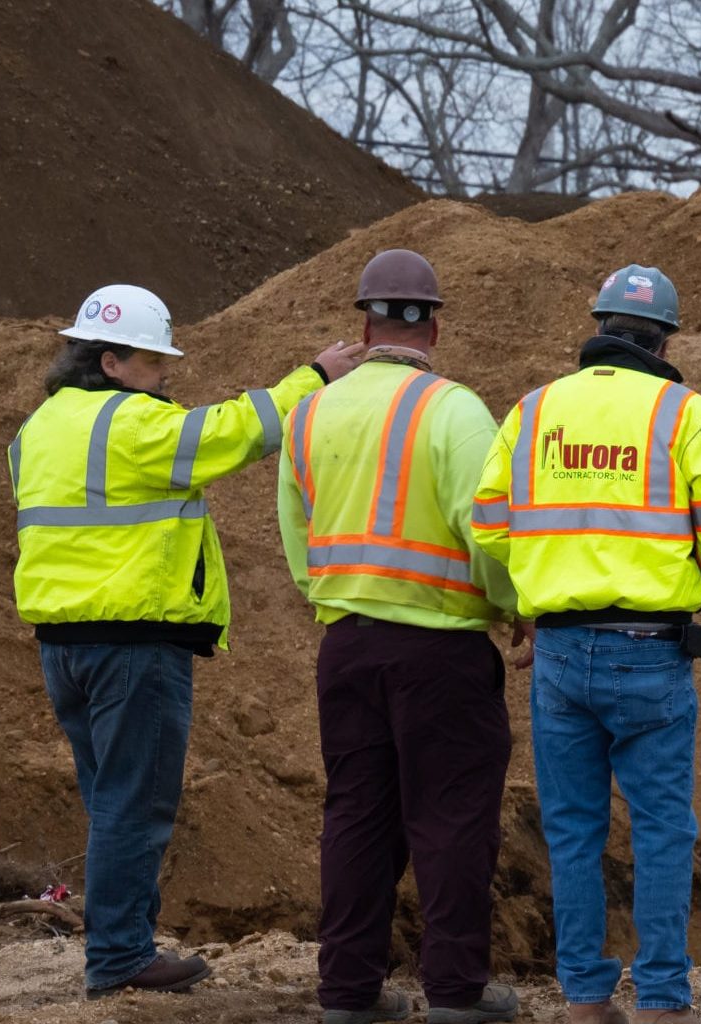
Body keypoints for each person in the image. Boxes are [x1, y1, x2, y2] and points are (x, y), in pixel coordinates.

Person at [12, 283, 361, 999]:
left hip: (63, 645)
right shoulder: (129, 424)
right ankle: (118, 956)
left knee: (112, 800)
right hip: (132, 643)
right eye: (151, 360)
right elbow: (236, 432)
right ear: (108, 361)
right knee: (133, 806)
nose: (163, 374)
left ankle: (124, 942)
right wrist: (315, 376)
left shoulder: (38, 429)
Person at [471, 265, 701, 1024]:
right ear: (665, 338)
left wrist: (546, 589)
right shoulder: (689, 414)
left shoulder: (533, 412)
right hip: (651, 649)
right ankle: (664, 1001)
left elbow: (490, 526)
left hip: (561, 656)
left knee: (573, 830)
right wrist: (686, 584)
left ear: (598, 326)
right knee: (664, 829)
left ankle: (584, 999)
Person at [279, 250, 524, 1024]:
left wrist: (340, 598)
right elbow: (487, 531)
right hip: (443, 651)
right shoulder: (455, 410)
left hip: (347, 644)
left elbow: (296, 535)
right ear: (435, 329)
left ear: (363, 323)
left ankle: (347, 995)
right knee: (451, 819)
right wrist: (513, 603)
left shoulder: (311, 413)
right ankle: (455, 992)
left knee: (356, 815)